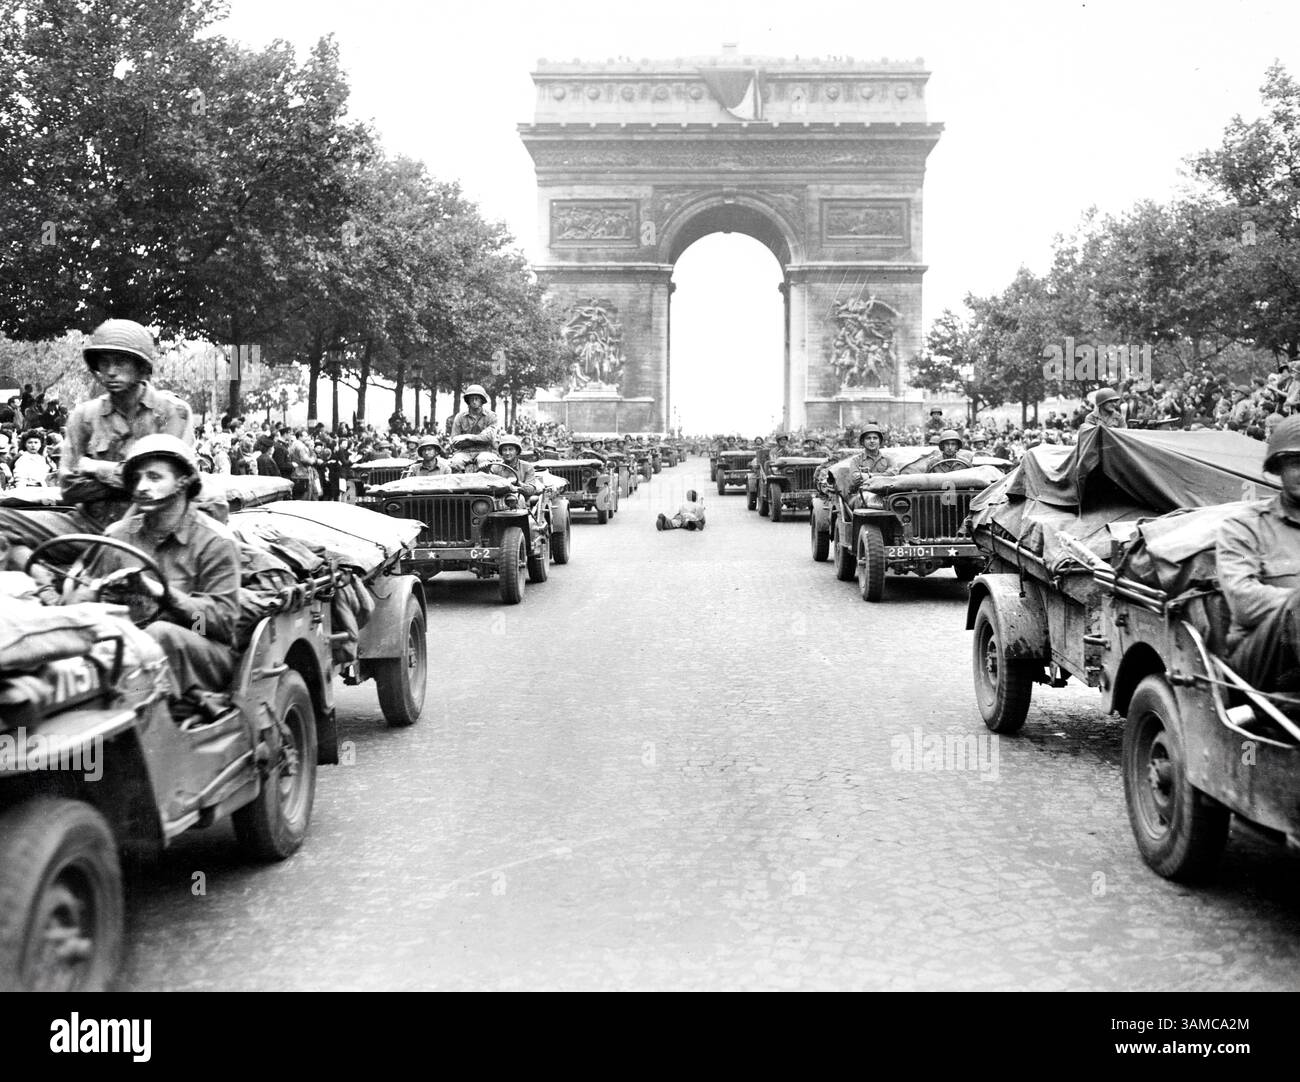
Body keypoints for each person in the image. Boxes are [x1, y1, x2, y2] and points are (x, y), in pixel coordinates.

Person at [78, 435, 239, 703]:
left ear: (183, 481)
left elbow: (219, 624)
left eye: (154, 477)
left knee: (159, 634)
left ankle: (136, 714)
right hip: (126, 648)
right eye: (137, 479)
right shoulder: (117, 535)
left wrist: (162, 594)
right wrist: (95, 592)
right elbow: (85, 595)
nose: (141, 487)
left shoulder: (215, 541)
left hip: (199, 642)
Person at [1217, 416, 1300, 690]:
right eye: (1297, 464)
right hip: (1260, 660)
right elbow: (1243, 601)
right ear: (1278, 469)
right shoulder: (1244, 526)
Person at [847, 424, 895, 505]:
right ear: (862, 442)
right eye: (868, 438)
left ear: (879, 441)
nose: (872, 441)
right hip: (862, 495)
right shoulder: (856, 460)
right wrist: (883, 475)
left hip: (885, 494)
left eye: (875, 438)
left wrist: (870, 476)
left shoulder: (888, 459)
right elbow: (855, 479)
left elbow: (894, 474)